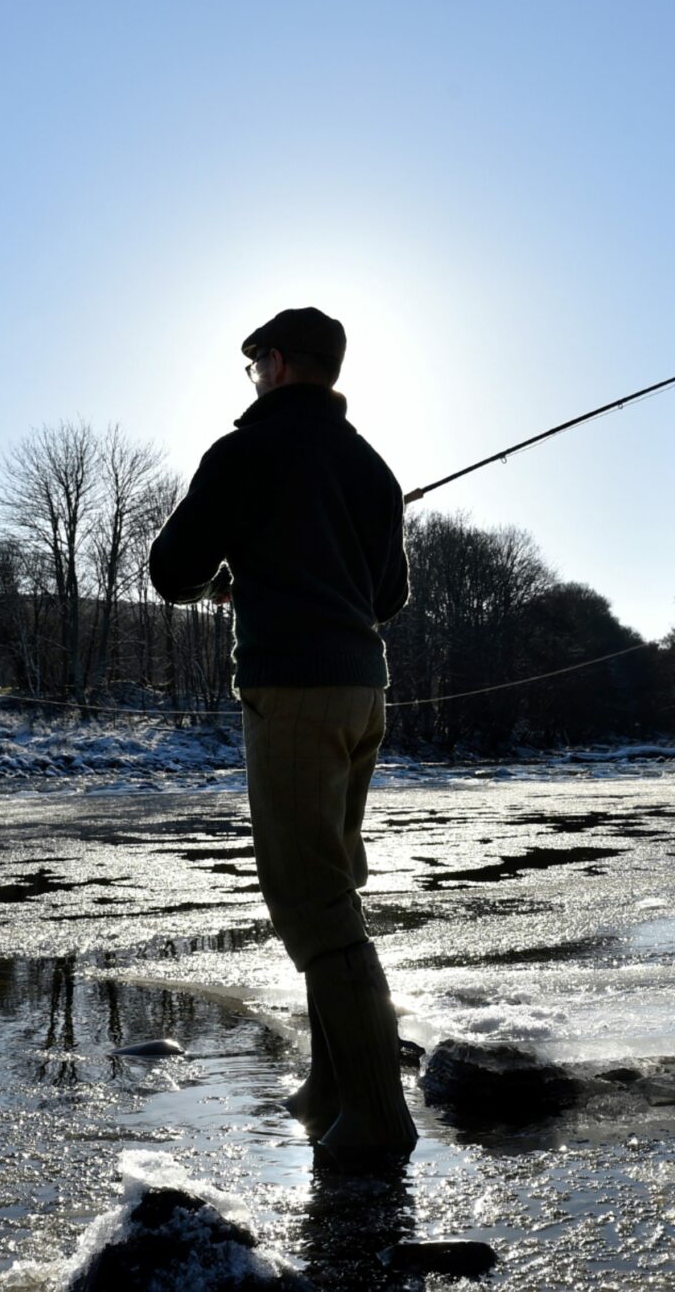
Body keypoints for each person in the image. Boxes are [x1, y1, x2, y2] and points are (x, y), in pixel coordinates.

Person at [147, 306, 417, 1170]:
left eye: (256, 362)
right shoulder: (371, 468)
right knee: (333, 885)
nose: (253, 376)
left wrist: (225, 581)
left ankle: (377, 1113)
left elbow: (171, 570)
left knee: (311, 900)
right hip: (363, 694)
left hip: (294, 696)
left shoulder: (246, 452)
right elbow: (387, 601)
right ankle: (332, 1086)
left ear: (278, 363)